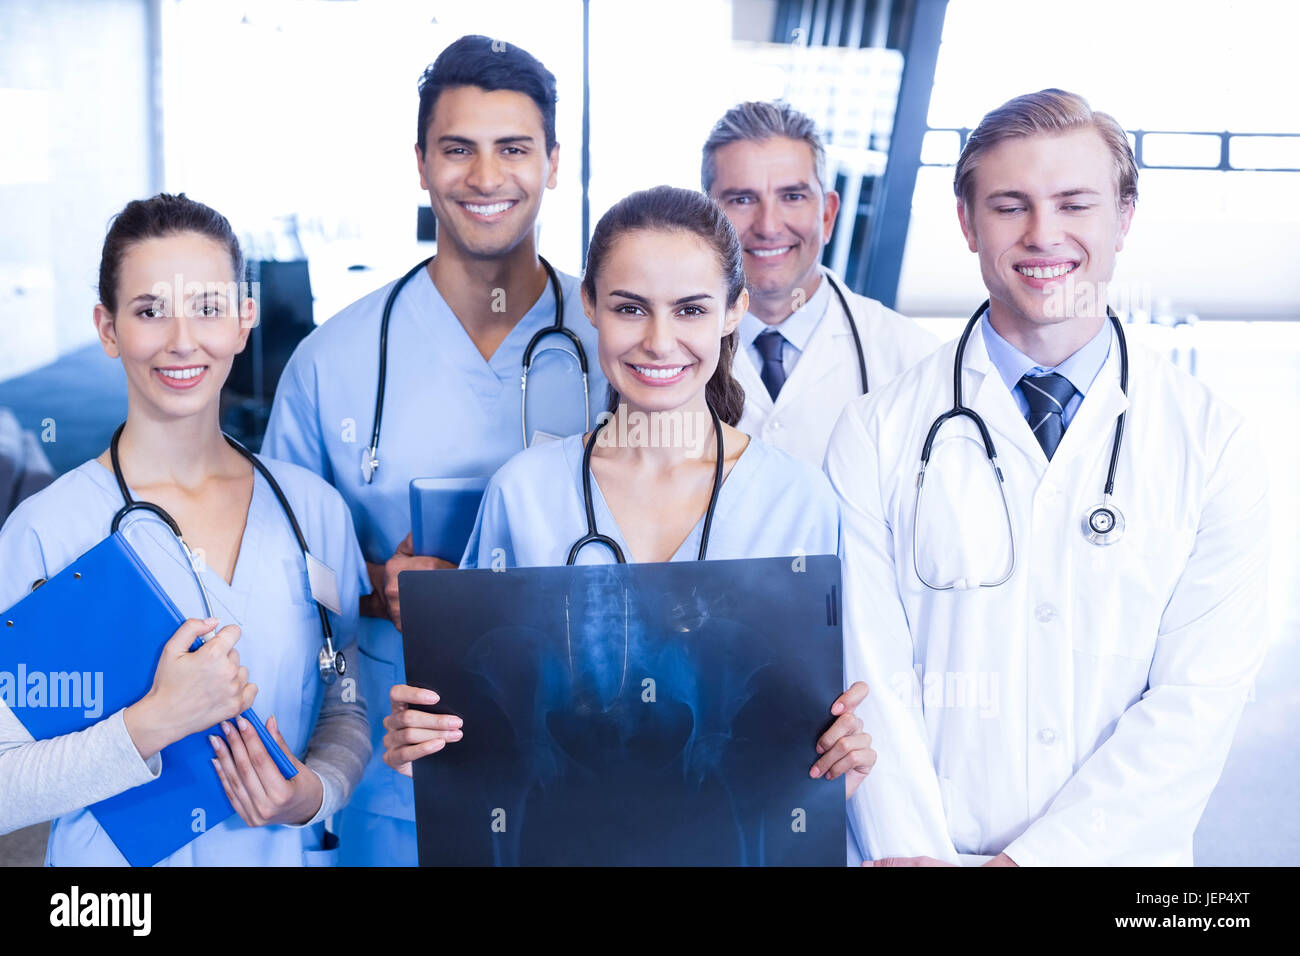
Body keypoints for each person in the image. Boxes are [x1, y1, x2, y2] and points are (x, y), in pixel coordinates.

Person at [824, 89, 1269, 866]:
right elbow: (870, 678)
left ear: (1124, 217)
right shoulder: (876, 434)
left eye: (1074, 203)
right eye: (1009, 205)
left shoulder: (1212, 444)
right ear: (967, 222)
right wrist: (911, 852)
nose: (1044, 234)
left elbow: (1195, 703)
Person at [383, 185, 876, 864]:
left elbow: (824, 731)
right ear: (590, 304)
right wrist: (426, 746)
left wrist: (840, 760)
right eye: (629, 308)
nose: (658, 340)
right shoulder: (525, 493)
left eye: (691, 309)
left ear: (734, 310)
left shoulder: (797, 500)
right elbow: (481, 731)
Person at [261, 36, 608, 866]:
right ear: (420, 163)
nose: (486, 178)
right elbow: (281, 578)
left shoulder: (620, 348)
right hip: (393, 778)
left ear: (554, 163)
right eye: (458, 149)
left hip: (582, 753)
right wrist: (375, 589)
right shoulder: (333, 362)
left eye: (514, 148)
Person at [0, 193, 371, 865]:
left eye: (206, 307)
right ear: (108, 329)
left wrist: (316, 793)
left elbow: (349, 698)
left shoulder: (313, 512)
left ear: (243, 319)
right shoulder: (48, 532)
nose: (181, 339)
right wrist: (152, 724)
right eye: (149, 311)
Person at [702, 101, 938, 466]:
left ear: (827, 215)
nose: (768, 226)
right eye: (742, 199)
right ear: (706, 222)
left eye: (792, 197)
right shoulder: (666, 353)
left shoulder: (912, 359)